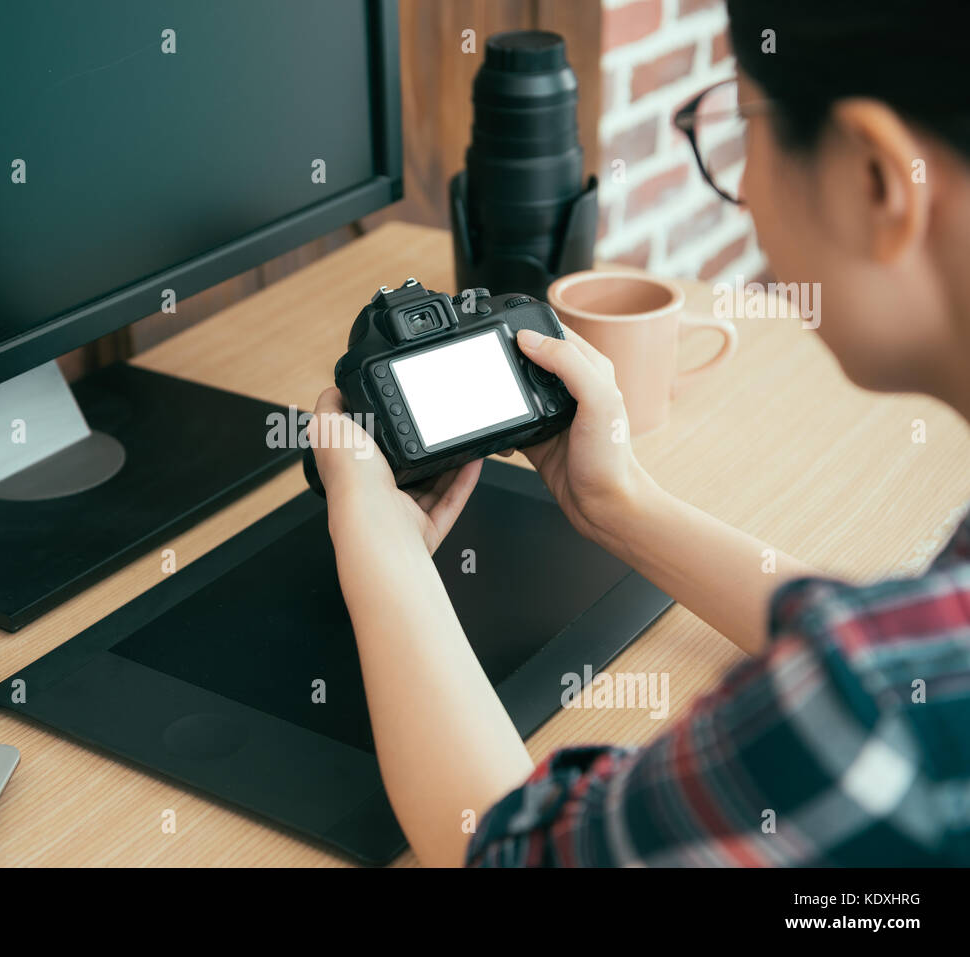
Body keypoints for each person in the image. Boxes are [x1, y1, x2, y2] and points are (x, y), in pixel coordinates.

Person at [306, 0, 970, 867]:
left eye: (740, 129)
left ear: (875, 180)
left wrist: (382, 551)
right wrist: (619, 504)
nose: (746, 195)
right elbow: (893, 639)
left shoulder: (872, 727)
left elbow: (514, 851)